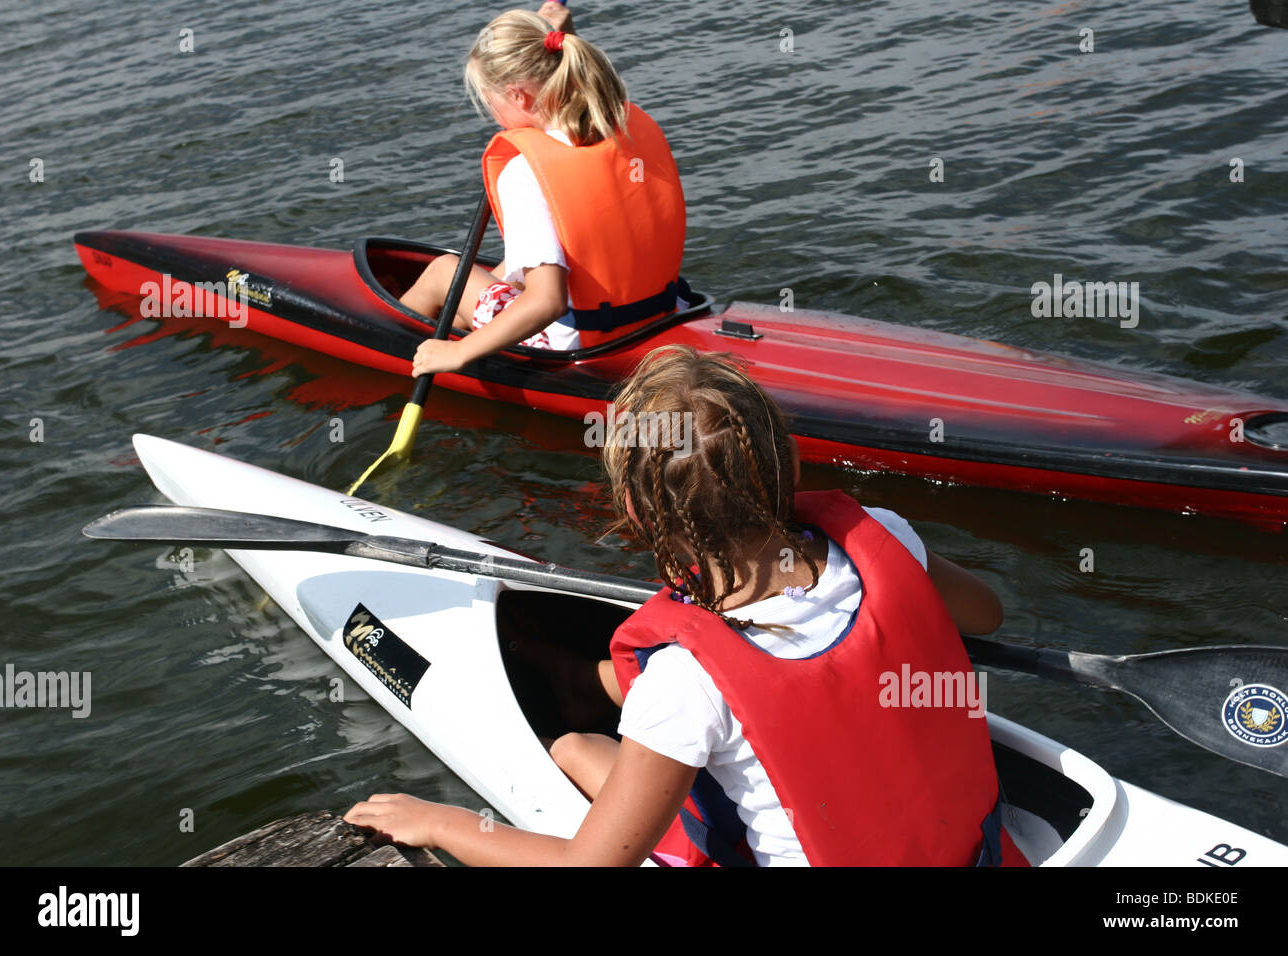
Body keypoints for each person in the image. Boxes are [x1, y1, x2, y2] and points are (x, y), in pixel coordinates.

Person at [345, 345, 1027, 866]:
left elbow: (594, 865)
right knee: (598, 741)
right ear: (786, 460)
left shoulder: (686, 682)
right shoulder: (885, 536)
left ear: (642, 513)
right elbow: (985, 615)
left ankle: (572, 701)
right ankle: (584, 692)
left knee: (576, 746)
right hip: (975, 849)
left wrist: (439, 823)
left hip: (704, 741)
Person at [402, 2, 688, 378]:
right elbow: (575, 72)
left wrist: (459, 355)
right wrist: (551, 36)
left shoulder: (524, 174)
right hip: (665, 311)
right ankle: (446, 328)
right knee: (502, 272)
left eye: (491, 102)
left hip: (575, 341)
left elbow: (547, 302)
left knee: (443, 273)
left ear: (519, 97)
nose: (493, 115)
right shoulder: (621, 123)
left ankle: (387, 342)